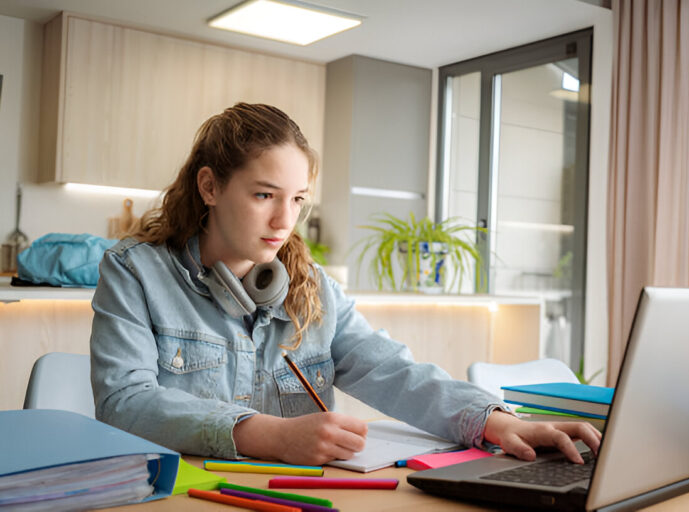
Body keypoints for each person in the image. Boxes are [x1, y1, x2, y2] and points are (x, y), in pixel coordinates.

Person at [90, 103, 601, 466]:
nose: (283, 219)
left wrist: (495, 421)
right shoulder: (135, 271)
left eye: (297, 199)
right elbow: (125, 403)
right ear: (210, 187)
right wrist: (271, 435)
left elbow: (393, 371)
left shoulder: (312, 288)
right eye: (265, 194)